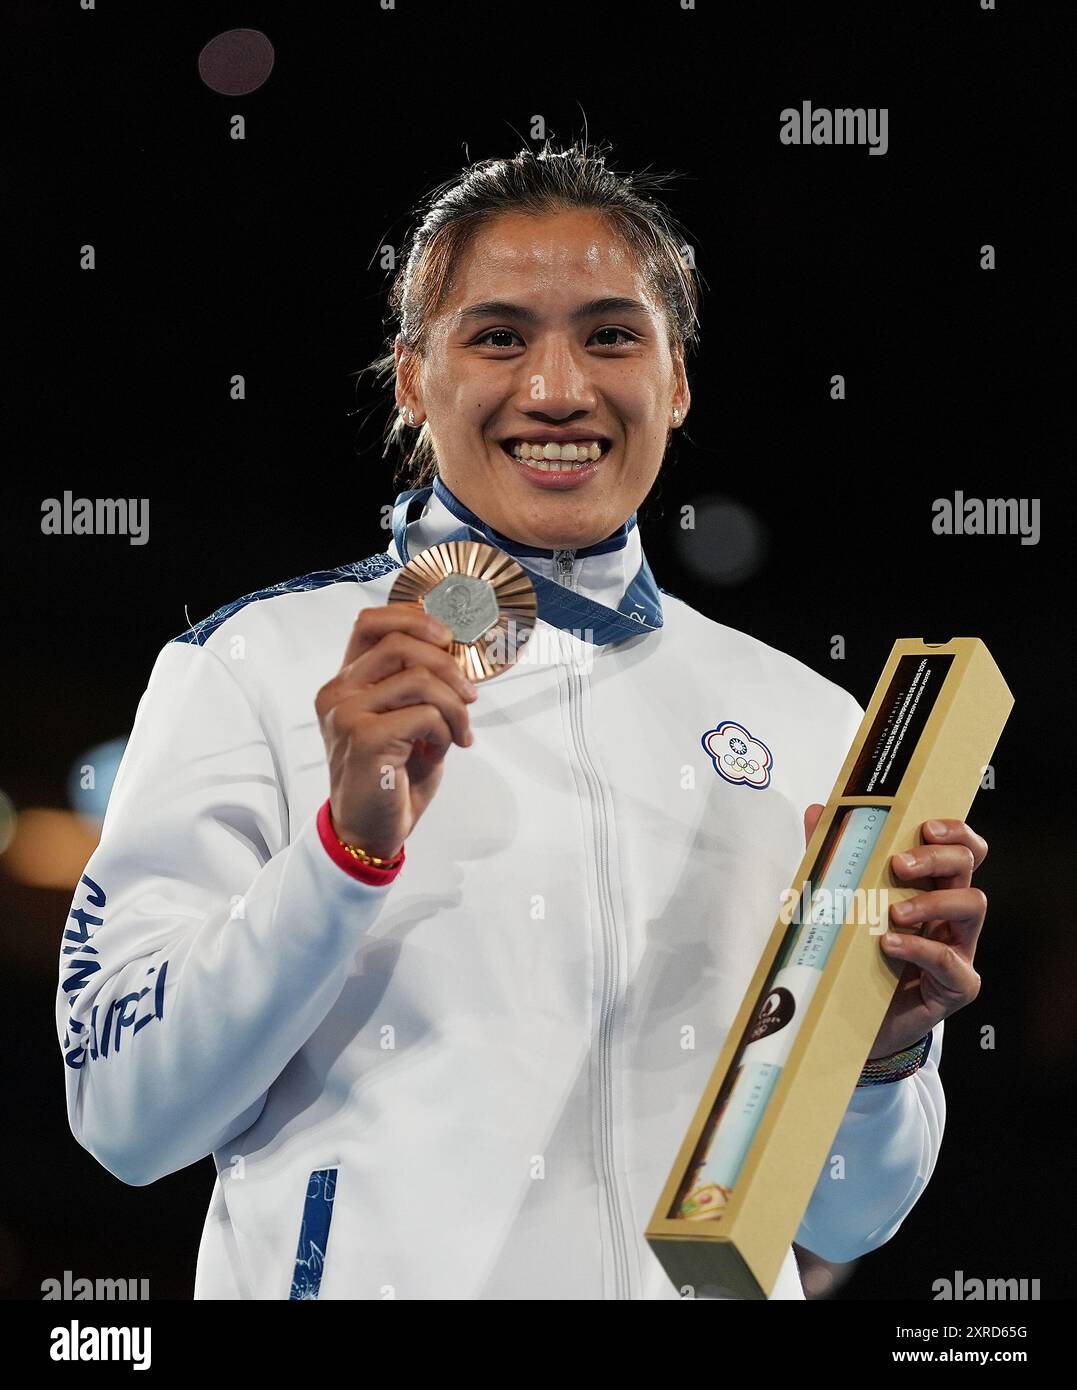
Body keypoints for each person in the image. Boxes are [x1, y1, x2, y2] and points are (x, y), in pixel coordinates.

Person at [55, 140, 989, 1300]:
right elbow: (125, 1114)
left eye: (611, 335)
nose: (557, 390)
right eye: (499, 336)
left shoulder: (803, 716)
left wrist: (880, 1050)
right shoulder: (253, 664)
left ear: (678, 378)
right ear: (412, 380)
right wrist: (344, 859)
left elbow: (850, 1212)